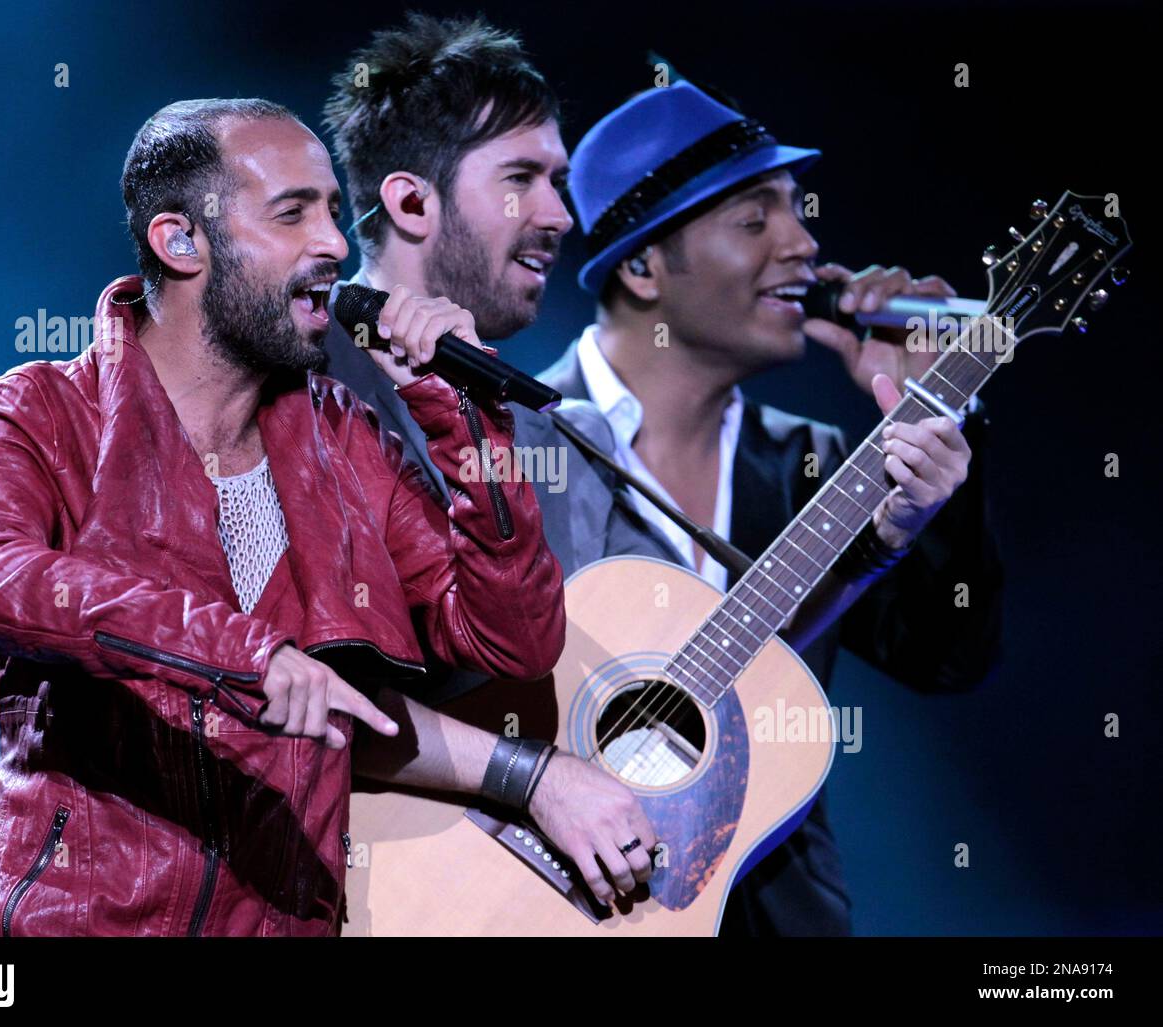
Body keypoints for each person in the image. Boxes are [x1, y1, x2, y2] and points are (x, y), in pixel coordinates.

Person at [319, 14, 981, 918]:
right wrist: (537, 775)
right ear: (643, 268)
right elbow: (286, 674)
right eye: (523, 180)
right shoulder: (306, 383)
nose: (560, 216)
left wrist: (895, 520)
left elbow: (718, 676)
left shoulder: (557, 436)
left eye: (559, 182)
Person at [0, 97, 569, 937]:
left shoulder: (345, 434)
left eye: (336, 211)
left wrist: (466, 416)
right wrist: (246, 653)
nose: (336, 244)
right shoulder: (43, 409)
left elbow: (511, 639)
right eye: (293, 212)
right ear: (181, 241)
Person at [550, 77, 1003, 934]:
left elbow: (950, 660)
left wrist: (936, 418)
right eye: (756, 220)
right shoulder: (506, 446)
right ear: (643, 267)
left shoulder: (824, 467)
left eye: (797, 211)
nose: (804, 243)